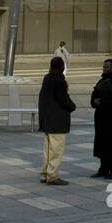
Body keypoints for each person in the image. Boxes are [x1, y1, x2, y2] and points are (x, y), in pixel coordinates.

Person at [37, 56, 75, 185]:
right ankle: (52, 176)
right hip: (57, 121)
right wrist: (72, 107)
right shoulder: (59, 81)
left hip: (47, 120)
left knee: (48, 149)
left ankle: (45, 174)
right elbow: (64, 100)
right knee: (56, 150)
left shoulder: (47, 78)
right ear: (62, 67)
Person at [91, 58, 112, 179]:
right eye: (104, 67)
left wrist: (102, 101)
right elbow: (94, 97)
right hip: (101, 119)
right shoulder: (102, 81)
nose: (104, 69)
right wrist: (95, 102)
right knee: (102, 144)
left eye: (107, 67)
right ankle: (103, 169)